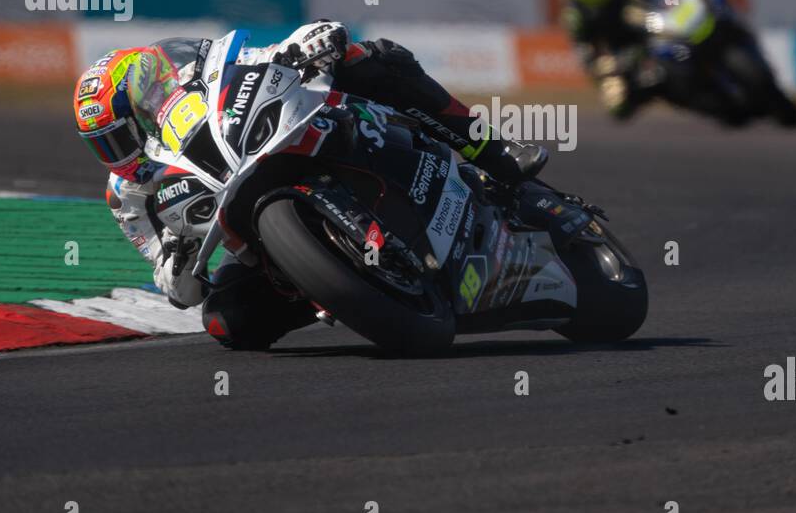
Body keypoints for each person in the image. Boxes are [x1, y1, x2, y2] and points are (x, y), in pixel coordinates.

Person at [73, 21, 547, 349]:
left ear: (142, 98)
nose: (120, 152)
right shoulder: (126, 195)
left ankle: (491, 149)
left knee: (373, 57)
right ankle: (337, 287)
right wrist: (174, 264)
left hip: (289, 134)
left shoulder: (196, 71)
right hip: (249, 230)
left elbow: (256, 57)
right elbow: (169, 280)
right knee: (224, 320)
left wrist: (305, 43)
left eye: (121, 134)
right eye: (106, 146)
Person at [557, 0, 665, 118]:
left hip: (652, 29)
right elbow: (585, 50)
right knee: (618, 106)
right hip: (621, 52)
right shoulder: (577, 12)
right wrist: (604, 66)